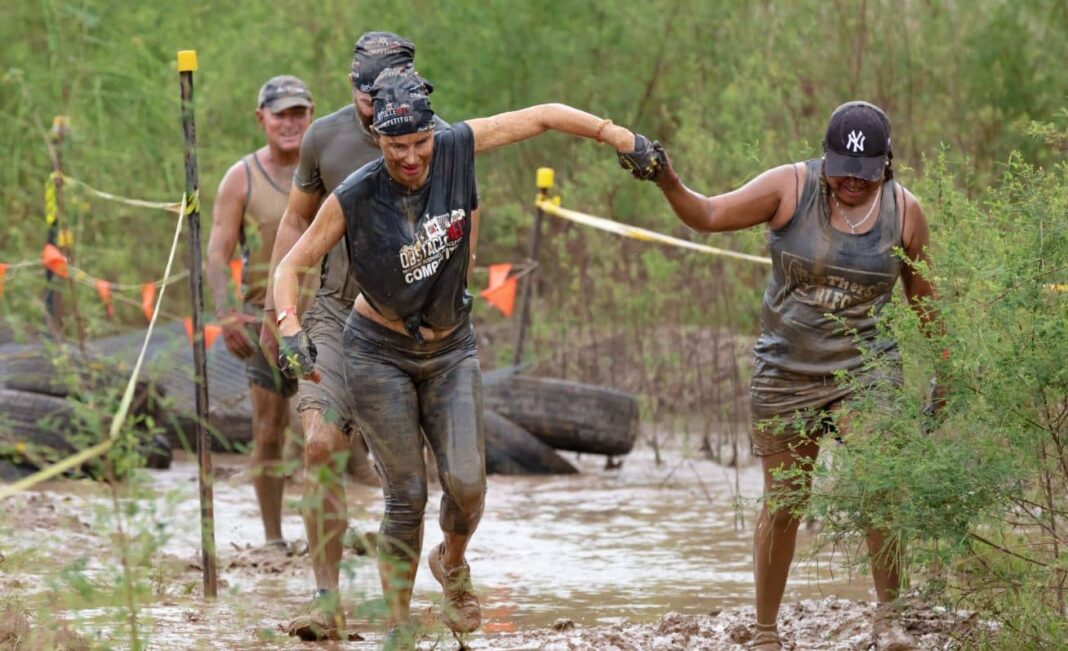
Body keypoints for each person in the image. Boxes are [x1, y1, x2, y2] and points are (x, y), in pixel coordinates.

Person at [273, 69, 657, 649]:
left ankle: (451, 564)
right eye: (396, 147)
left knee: (469, 485)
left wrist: (619, 137)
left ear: (434, 133)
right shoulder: (353, 194)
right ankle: (400, 627)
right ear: (377, 139)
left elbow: (544, 113)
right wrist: (289, 325)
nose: (410, 158)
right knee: (406, 494)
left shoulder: (456, 147)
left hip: (451, 347)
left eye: (419, 144)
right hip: (376, 349)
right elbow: (289, 266)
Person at [631, 101, 937, 650]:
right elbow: (707, 214)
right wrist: (667, 178)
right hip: (786, 371)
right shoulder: (789, 188)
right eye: (841, 168)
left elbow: (928, 307)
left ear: (887, 166)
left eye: (863, 175)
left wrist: (950, 373)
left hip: (865, 371)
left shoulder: (906, 213)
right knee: (786, 502)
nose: (849, 182)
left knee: (881, 486)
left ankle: (892, 621)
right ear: (826, 156)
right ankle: (766, 632)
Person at [259, 33, 454, 641]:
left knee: (415, 480)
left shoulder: (440, 140)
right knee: (318, 446)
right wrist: (278, 308)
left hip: (408, 328)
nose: (376, 109)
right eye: (366, 96)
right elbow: (296, 218)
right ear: (353, 89)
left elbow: (460, 230)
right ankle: (325, 598)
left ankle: (409, 602)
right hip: (336, 316)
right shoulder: (326, 138)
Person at [206, 75, 314, 550]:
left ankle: (328, 533)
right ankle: (273, 538)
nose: (289, 124)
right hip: (264, 318)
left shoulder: (326, 167)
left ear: (311, 115)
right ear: (261, 119)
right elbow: (216, 254)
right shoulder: (242, 177)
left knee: (327, 432)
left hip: (322, 316)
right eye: (280, 115)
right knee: (268, 431)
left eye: (298, 114)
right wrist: (227, 314)